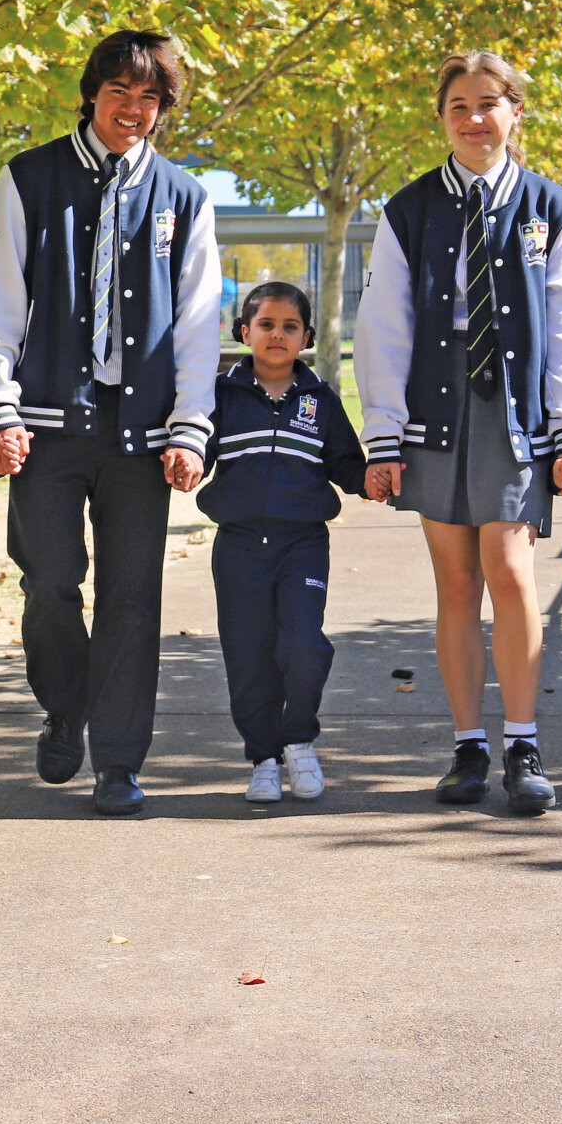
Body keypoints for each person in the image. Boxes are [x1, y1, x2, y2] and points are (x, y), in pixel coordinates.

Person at [0, 29, 222, 817]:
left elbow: (200, 323)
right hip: (44, 422)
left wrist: (190, 426)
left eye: (149, 98)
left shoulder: (185, 196)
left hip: (142, 431)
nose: (133, 110)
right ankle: (64, 702)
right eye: (120, 93)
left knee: (132, 596)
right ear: (91, 93)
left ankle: (117, 759)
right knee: (49, 583)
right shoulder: (28, 178)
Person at [358, 51, 562, 815]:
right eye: (458, 105)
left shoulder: (550, 207)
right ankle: (469, 746)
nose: (473, 118)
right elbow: (384, 325)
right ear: (442, 117)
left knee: (511, 568)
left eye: (488, 103)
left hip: (513, 405)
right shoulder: (409, 209)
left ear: (514, 111)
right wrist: (384, 433)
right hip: (434, 401)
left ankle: (524, 743)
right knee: (456, 578)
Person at [198, 280, 366, 802]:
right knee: (247, 655)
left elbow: (348, 467)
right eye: (266, 324)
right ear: (244, 332)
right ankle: (264, 758)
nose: (277, 334)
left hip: (302, 544)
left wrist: (378, 477)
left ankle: (298, 740)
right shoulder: (220, 398)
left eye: (290, 326)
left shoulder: (321, 400)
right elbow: (194, 452)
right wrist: (182, 463)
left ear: (307, 336)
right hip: (239, 544)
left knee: (301, 643)